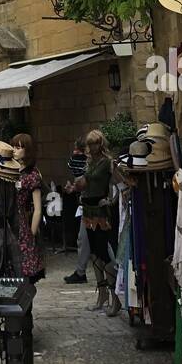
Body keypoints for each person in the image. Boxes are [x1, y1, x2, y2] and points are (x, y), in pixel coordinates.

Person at [75, 129, 122, 315]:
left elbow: (120, 185)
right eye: (89, 143)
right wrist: (75, 186)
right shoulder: (91, 162)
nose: (91, 147)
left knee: (104, 254)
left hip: (102, 212)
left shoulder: (108, 162)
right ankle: (102, 296)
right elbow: (86, 182)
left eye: (94, 143)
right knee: (95, 255)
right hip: (88, 209)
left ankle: (115, 299)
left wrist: (110, 201)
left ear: (100, 143)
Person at [11, 132, 45, 283]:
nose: (15, 150)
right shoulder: (9, 169)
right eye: (14, 147)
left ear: (27, 150)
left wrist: (31, 233)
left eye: (19, 147)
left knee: (25, 270)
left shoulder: (32, 174)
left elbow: (38, 209)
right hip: (8, 219)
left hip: (22, 222)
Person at [62, 138, 87, 266]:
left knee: (85, 239)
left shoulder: (80, 160)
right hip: (84, 198)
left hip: (89, 202)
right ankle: (81, 270)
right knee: (83, 239)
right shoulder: (86, 161)